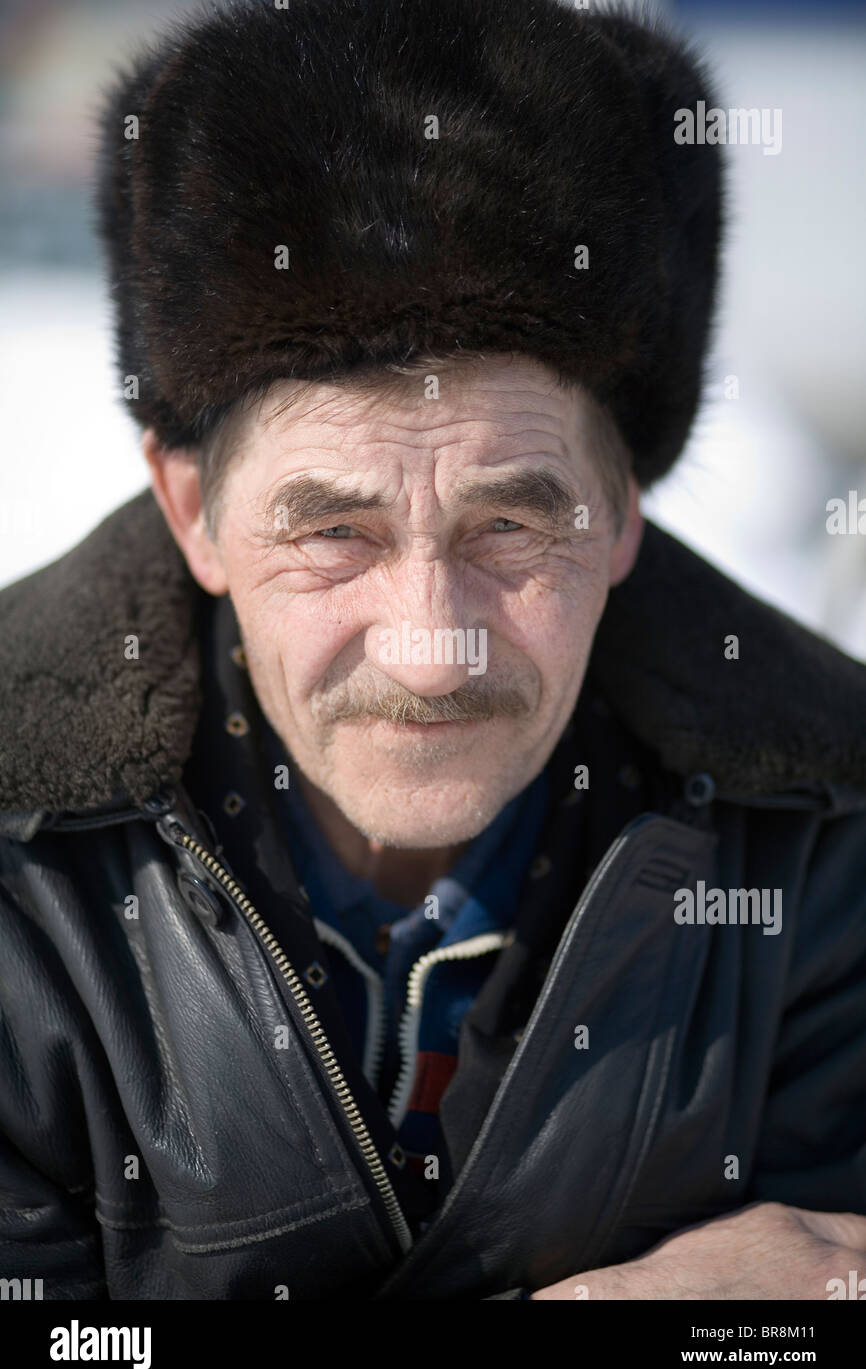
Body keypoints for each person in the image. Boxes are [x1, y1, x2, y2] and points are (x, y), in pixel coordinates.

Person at [1, 0, 864, 1301]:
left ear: (624, 509)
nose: (430, 649)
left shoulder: (826, 843)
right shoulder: (22, 880)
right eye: (333, 530)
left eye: (509, 524)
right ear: (194, 512)